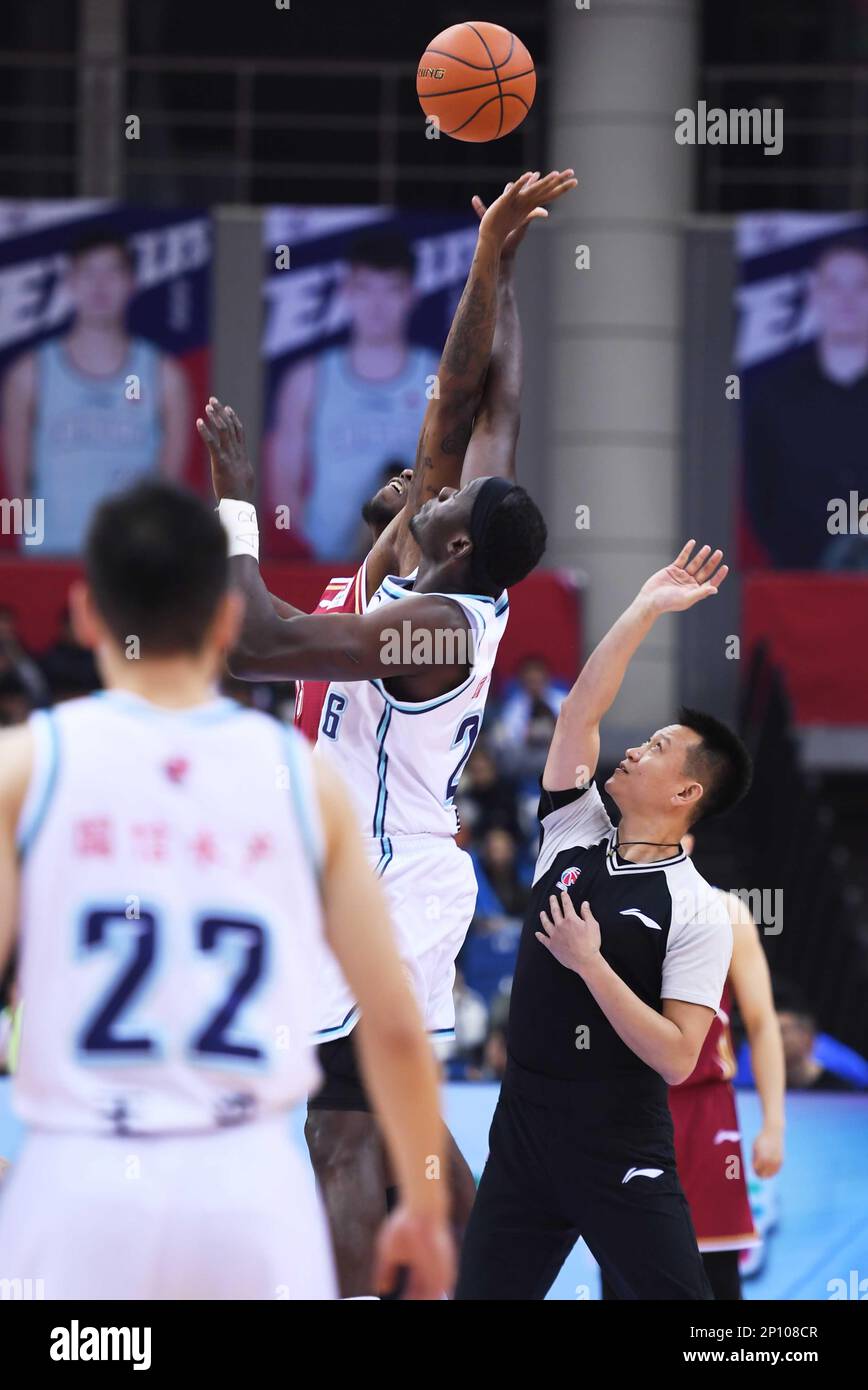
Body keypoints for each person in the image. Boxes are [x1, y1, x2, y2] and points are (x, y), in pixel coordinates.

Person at [197, 169, 576, 1297]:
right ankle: (498, 1267)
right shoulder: (430, 562)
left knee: (345, 1132)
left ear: (454, 546)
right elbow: (480, 401)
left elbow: (251, 643)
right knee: (368, 1114)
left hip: (390, 879)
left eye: (439, 496)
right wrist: (494, 263)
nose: (428, 483)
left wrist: (232, 498)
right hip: (360, 873)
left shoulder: (431, 630)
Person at [0, 480, 454, 1300]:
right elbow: (390, 1028)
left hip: (83, 1176)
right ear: (223, 620)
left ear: (85, 614)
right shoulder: (302, 781)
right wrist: (422, 1205)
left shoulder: (25, 771)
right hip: (245, 1192)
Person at [456, 541, 753, 1301]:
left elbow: (679, 1057)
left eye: (655, 749)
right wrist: (644, 607)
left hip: (619, 1142)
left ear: (687, 792)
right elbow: (581, 709)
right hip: (524, 1127)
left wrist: (593, 964)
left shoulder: (696, 907)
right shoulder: (575, 828)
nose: (632, 749)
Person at [601, 836, 785, 1302]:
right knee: (624, 1270)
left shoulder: (726, 912)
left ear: (690, 835)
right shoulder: (603, 909)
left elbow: (762, 1024)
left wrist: (774, 1126)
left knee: (713, 1276)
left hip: (705, 1112)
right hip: (628, 1106)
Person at [1, 232, 190, 555]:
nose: (100, 285)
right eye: (88, 272)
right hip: (49, 558)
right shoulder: (29, 373)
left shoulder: (164, 375)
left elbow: (167, 488)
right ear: (70, 282)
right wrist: (28, 552)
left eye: (112, 272)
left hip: (131, 565)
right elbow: (17, 484)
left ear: (131, 282)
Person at [265, 231, 440, 559]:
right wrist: (321, 547)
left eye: (391, 290)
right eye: (364, 289)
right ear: (346, 291)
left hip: (416, 560)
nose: (377, 306)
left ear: (412, 294)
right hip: (327, 561)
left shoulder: (437, 378)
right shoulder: (306, 380)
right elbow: (283, 482)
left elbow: (456, 474)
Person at [743, 239, 868, 569]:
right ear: (814, 293)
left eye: (861, 286)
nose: (847, 300)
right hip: (794, 587)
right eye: (834, 285)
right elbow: (759, 495)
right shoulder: (774, 396)